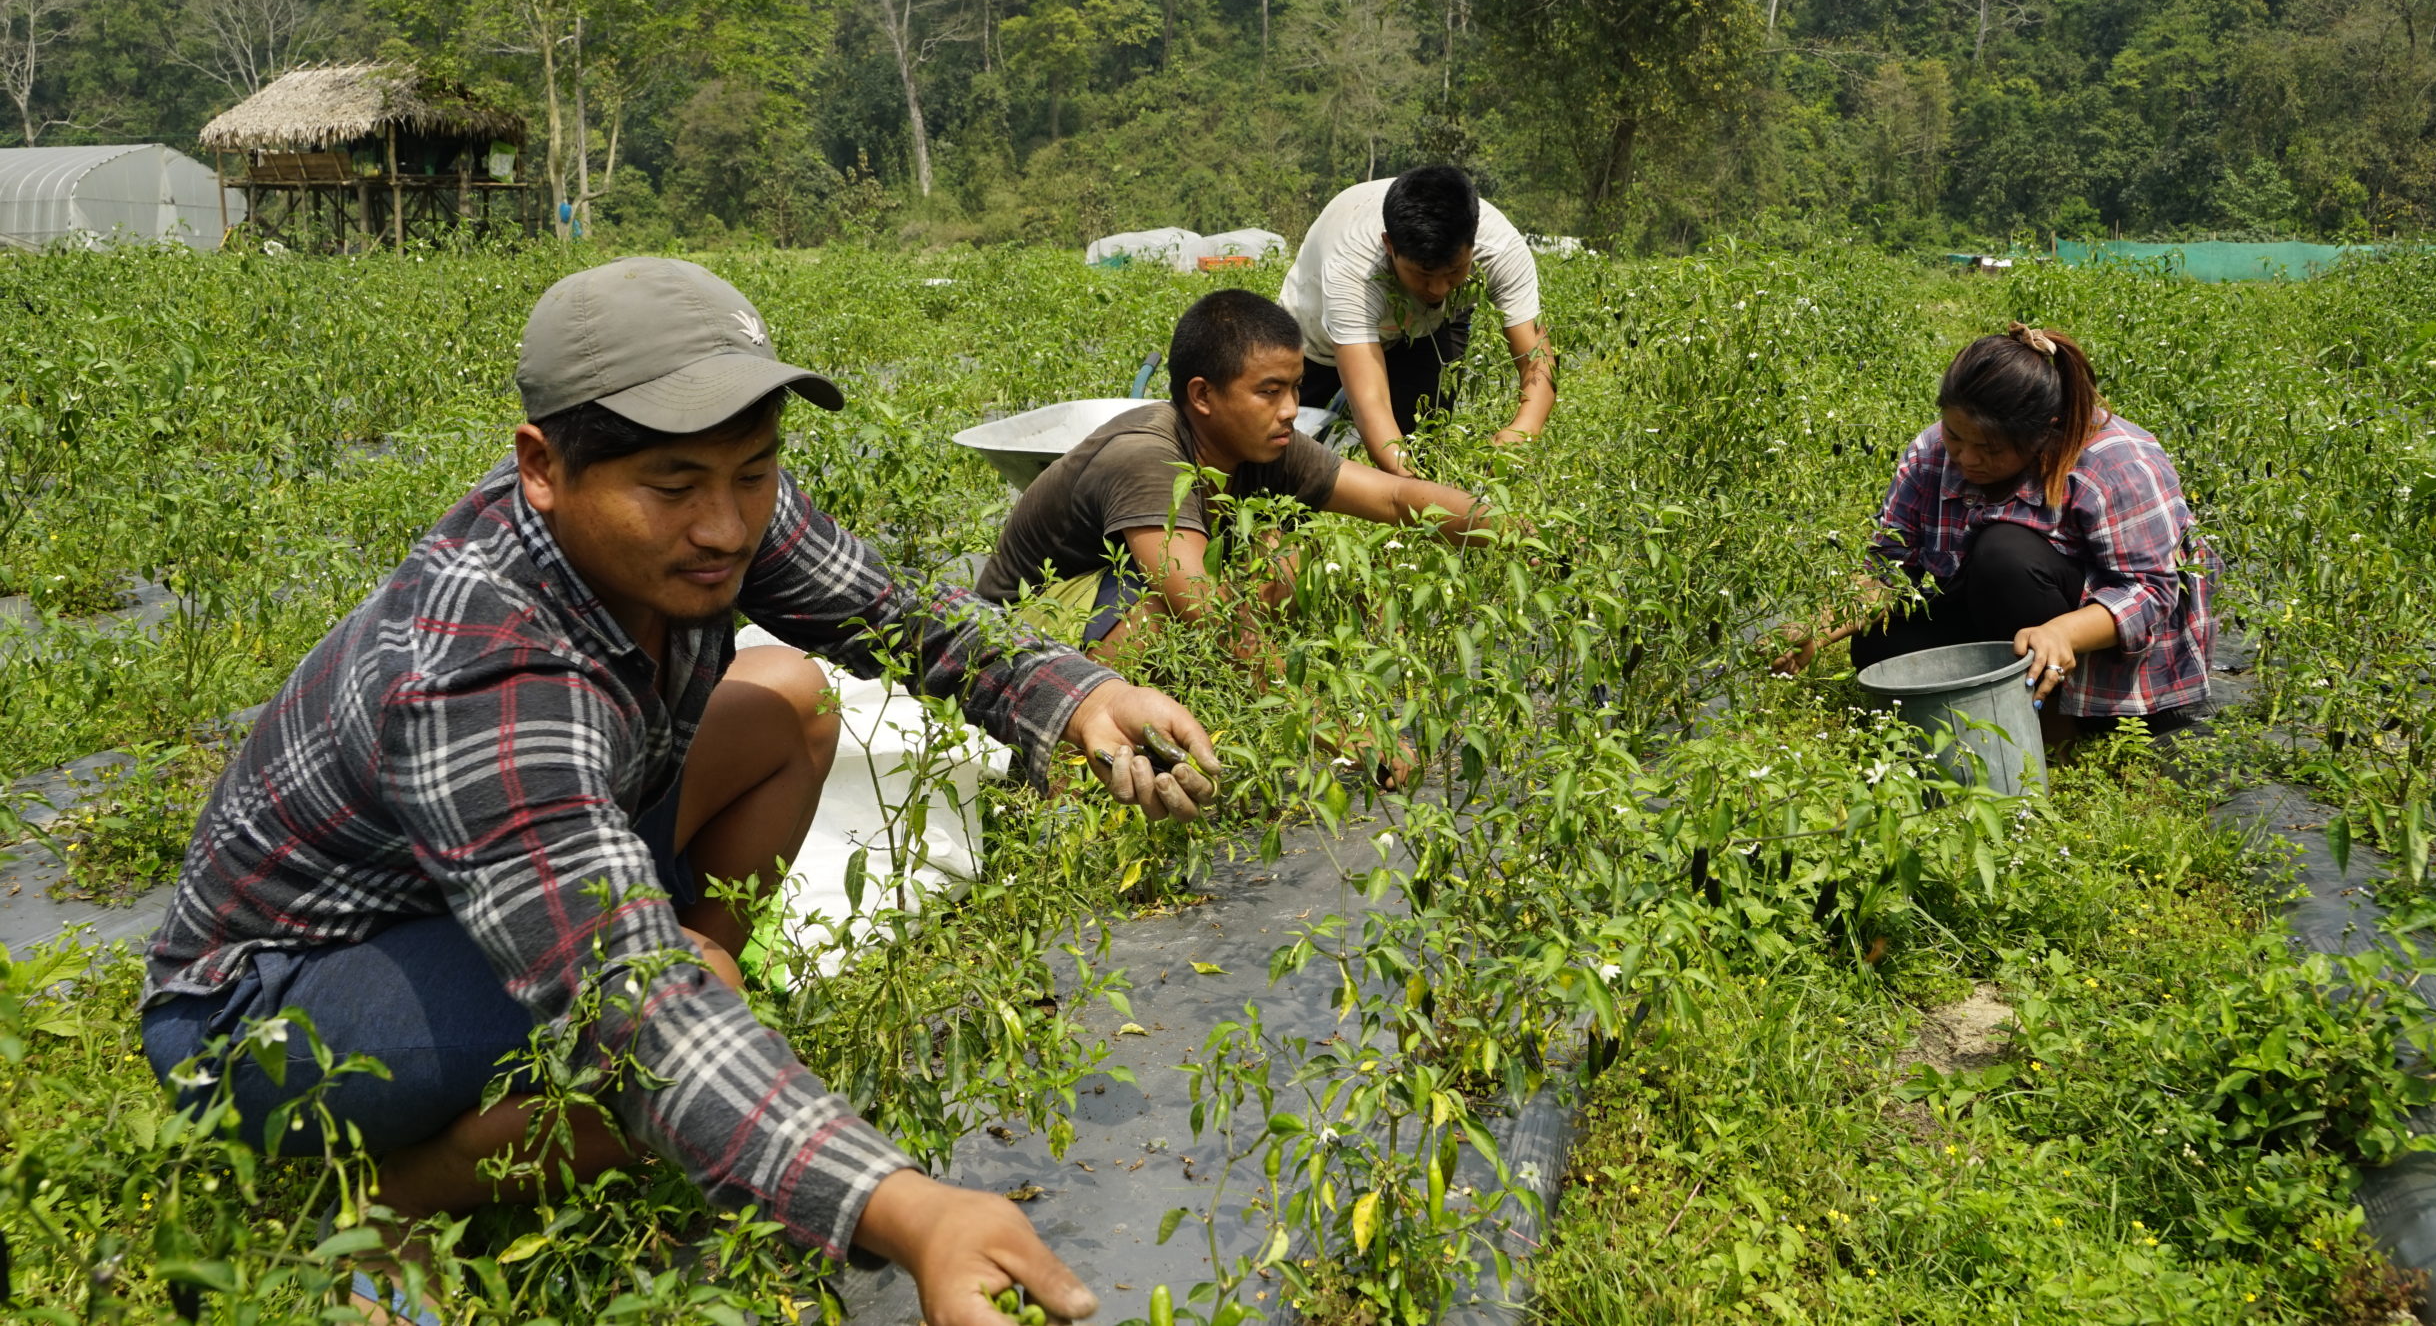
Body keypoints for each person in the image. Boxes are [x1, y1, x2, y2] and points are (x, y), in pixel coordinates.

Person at [140, 257, 1220, 1326]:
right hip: (272, 999)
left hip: (481, 882)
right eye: (674, 487)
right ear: (542, 465)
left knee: (789, 699)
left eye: (752, 473)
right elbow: (630, 1000)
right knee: (645, 1041)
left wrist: (1076, 696)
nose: (725, 527)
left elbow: (889, 612)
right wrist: (907, 1210)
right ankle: (396, 1199)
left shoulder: (717, 509)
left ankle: (691, 981)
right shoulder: (480, 667)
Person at [978, 289, 1494, 665]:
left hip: (1106, 610)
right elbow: (1205, 614)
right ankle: (1073, 761)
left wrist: (1522, 532)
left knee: (1292, 553)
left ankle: (1186, 694)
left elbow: (1395, 499)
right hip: (1017, 645)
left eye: (1295, 388)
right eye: (1269, 391)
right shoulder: (1149, 458)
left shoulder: (1268, 443)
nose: (1292, 409)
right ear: (1203, 396)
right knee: (1166, 606)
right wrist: (1340, 728)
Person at [1783, 323, 2215, 739]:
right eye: (1955, 436)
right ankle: (1990, 713)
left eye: (1989, 448)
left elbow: (2151, 590)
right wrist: (1821, 625)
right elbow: (1891, 568)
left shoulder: (2113, 463)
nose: (1966, 458)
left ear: (2043, 435)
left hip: (2088, 644)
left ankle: (2056, 731)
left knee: (2004, 555)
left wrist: (2063, 631)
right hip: (1995, 617)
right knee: (1880, 646)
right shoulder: (1933, 453)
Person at [1278, 165, 1554, 476]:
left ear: (1472, 245)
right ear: (1389, 245)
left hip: (1427, 328)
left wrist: (1522, 430)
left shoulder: (1501, 247)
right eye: (1423, 274)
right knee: (1284, 445)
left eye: (1453, 273)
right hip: (1319, 338)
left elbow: (1536, 358)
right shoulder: (1352, 265)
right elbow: (1371, 403)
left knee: (1422, 437)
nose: (1438, 289)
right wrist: (1413, 488)